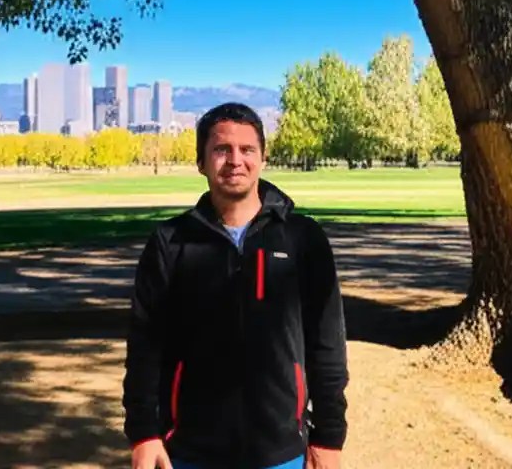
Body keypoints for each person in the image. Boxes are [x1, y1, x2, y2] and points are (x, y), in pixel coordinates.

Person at [123, 103, 348, 469]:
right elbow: (146, 345)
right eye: (221, 149)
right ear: (201, 162)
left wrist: (329, 436)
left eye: (247, 150)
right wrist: (143, 434)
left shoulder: (303, 238)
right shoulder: (171, 241)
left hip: (281, 450)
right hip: (190, 450)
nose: (235, 161)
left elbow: (328, 345)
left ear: (263, 157)